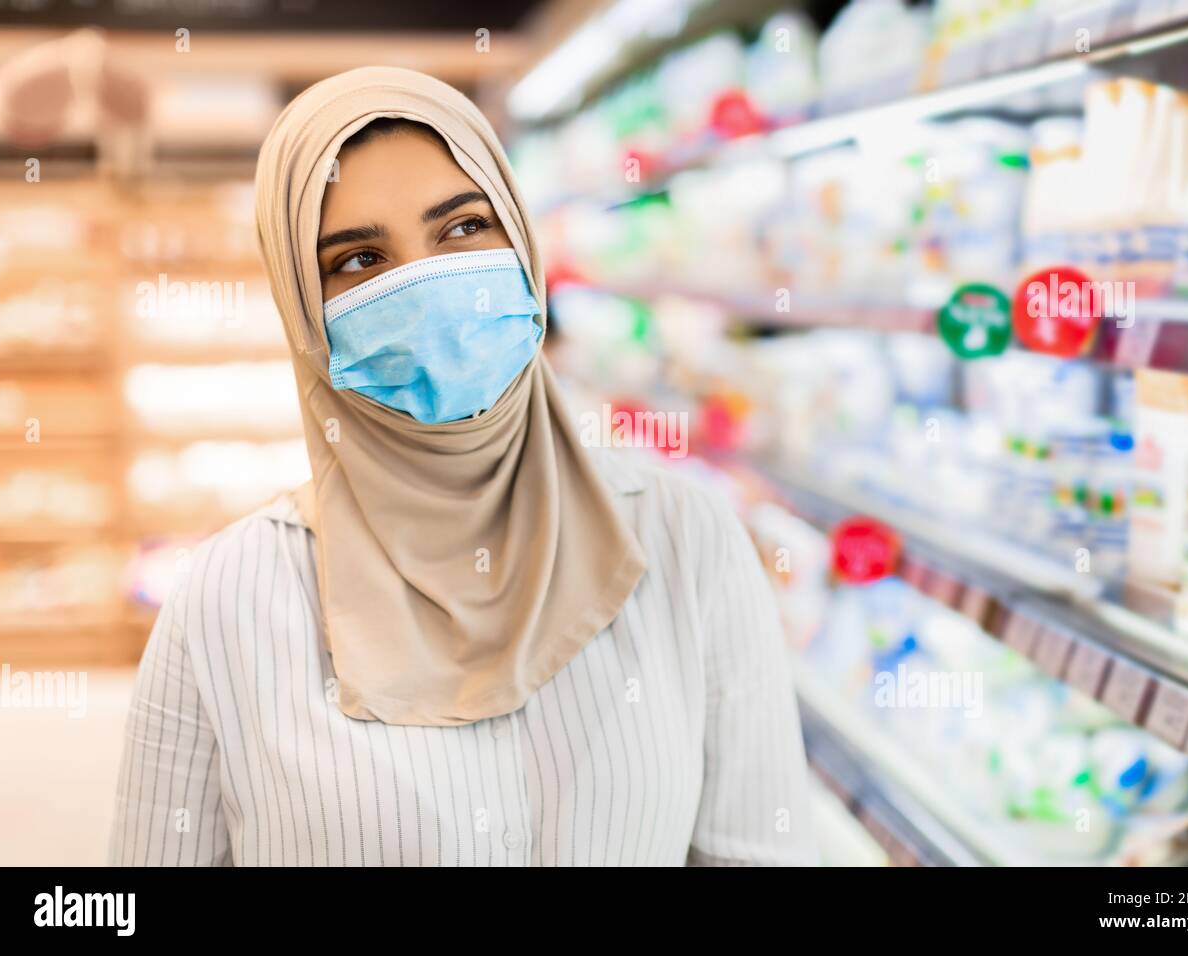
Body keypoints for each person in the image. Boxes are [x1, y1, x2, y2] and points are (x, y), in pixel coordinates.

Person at [106, 67, 817, 867]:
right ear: (304, 311)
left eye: (462, 228)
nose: (425, 285)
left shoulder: (684, 541)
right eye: (359, 260)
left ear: (521, 239)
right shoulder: (229, 599)